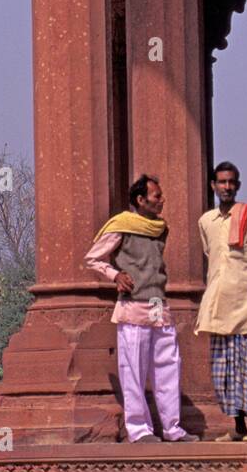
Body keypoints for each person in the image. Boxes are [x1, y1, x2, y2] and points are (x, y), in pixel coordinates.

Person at [84, 174, 197, 444]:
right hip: (133, 304)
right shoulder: (122, 225)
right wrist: (115, 275)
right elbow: (92, 258)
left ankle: (173, 428)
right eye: (157, 196)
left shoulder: (159, 228)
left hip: (157, 302)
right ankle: (139, 429)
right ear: (140, 200)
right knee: (133, 368)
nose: (162, 200)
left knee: (168, 366)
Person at [196, 161, 247, 442]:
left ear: (238, 185)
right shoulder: (206, 221)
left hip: (245, 302)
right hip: (219, 302)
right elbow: (211, 255)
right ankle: (239, 426)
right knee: (224, 367)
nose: (227, 187)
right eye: (222, 182)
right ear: (213, 186)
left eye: (231, 182)